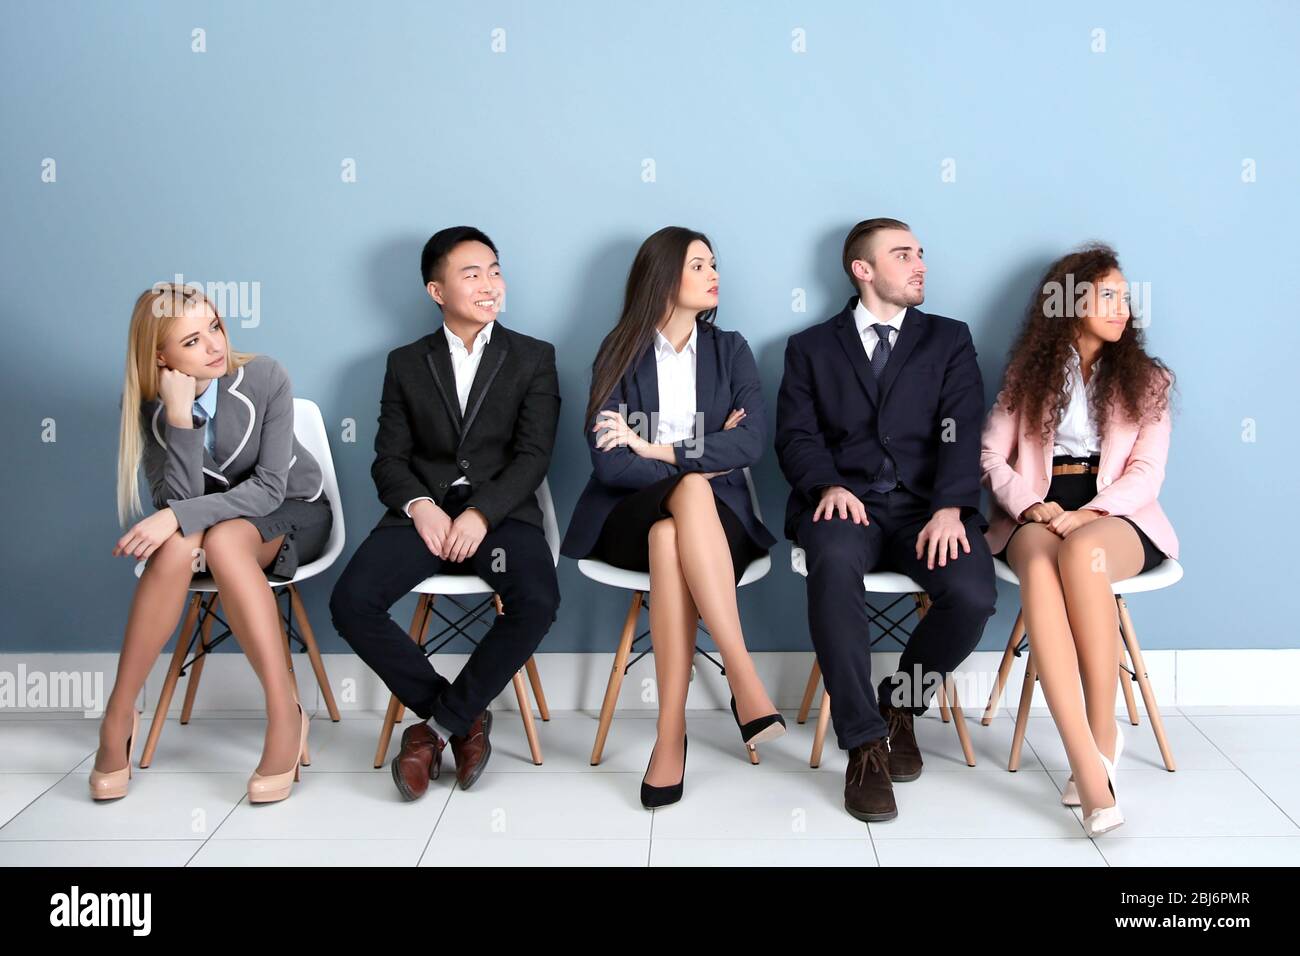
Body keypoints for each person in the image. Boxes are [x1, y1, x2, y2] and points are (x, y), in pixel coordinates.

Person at [775, 217, 996, 823]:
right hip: (842, 506)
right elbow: (795, 437)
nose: (920, 264)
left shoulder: (949, 339)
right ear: (862, 269)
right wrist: (827, 485)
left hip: (927, 510)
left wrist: (950, 506)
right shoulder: (810, 347)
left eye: (921, 252)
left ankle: (901, 703)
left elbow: (962, 430)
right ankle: (865, 745)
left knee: (974, 593)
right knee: (835, 561)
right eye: (903, 255)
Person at [329, 226, 561, 800]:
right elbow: (388, 460)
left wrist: (480, 514)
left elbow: (533, 458)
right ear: (437, 291)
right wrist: (421, 506)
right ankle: (463, 717)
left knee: (538, 599)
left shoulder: (533, 357)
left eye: (495, 270)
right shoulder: (406, 363)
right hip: (424, 515)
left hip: (500, 517)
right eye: (472, 273)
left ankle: (434, 728)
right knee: (350, 602)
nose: (490, 285)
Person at [561, 226, 781, 810]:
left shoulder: (730, 348)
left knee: (670, 536)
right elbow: (609, 463)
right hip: (624, 518)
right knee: (672, 508)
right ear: (663, 277)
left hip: (715, 521)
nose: (714, 274)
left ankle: (668, 738)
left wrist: (657, 449)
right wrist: (700, 463)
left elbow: (753, 442)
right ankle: (744, 677)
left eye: (714, 263)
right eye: (699, 264)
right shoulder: (618, 350)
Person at [101, 281, 329, 803]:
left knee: (220, 541)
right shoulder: (148, 405)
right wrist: (180, 419)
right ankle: (118, 714)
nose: (214, 346)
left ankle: (285, 715)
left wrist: (175, 518)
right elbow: (177, 508)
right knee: (179, 545)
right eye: (192, 341)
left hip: (293, 511)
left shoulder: (265, 376)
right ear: (160, 357)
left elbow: (270, 487)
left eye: (215, 327)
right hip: (217, 525)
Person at [981, 242, 1178, 837]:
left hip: (1117, 515)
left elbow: (1146, 473)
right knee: (1043, 569)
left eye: (1125, 296)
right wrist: (1030, 505)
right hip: (1036, 510)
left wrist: (1090, 512)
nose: (1123, 307)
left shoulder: (1150, 380)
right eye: (1108, 296)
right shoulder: (1027, 374)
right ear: (1069, 303)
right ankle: (1090, 771)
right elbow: (989, 454)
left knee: (1083, 552)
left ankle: (1103, 732)